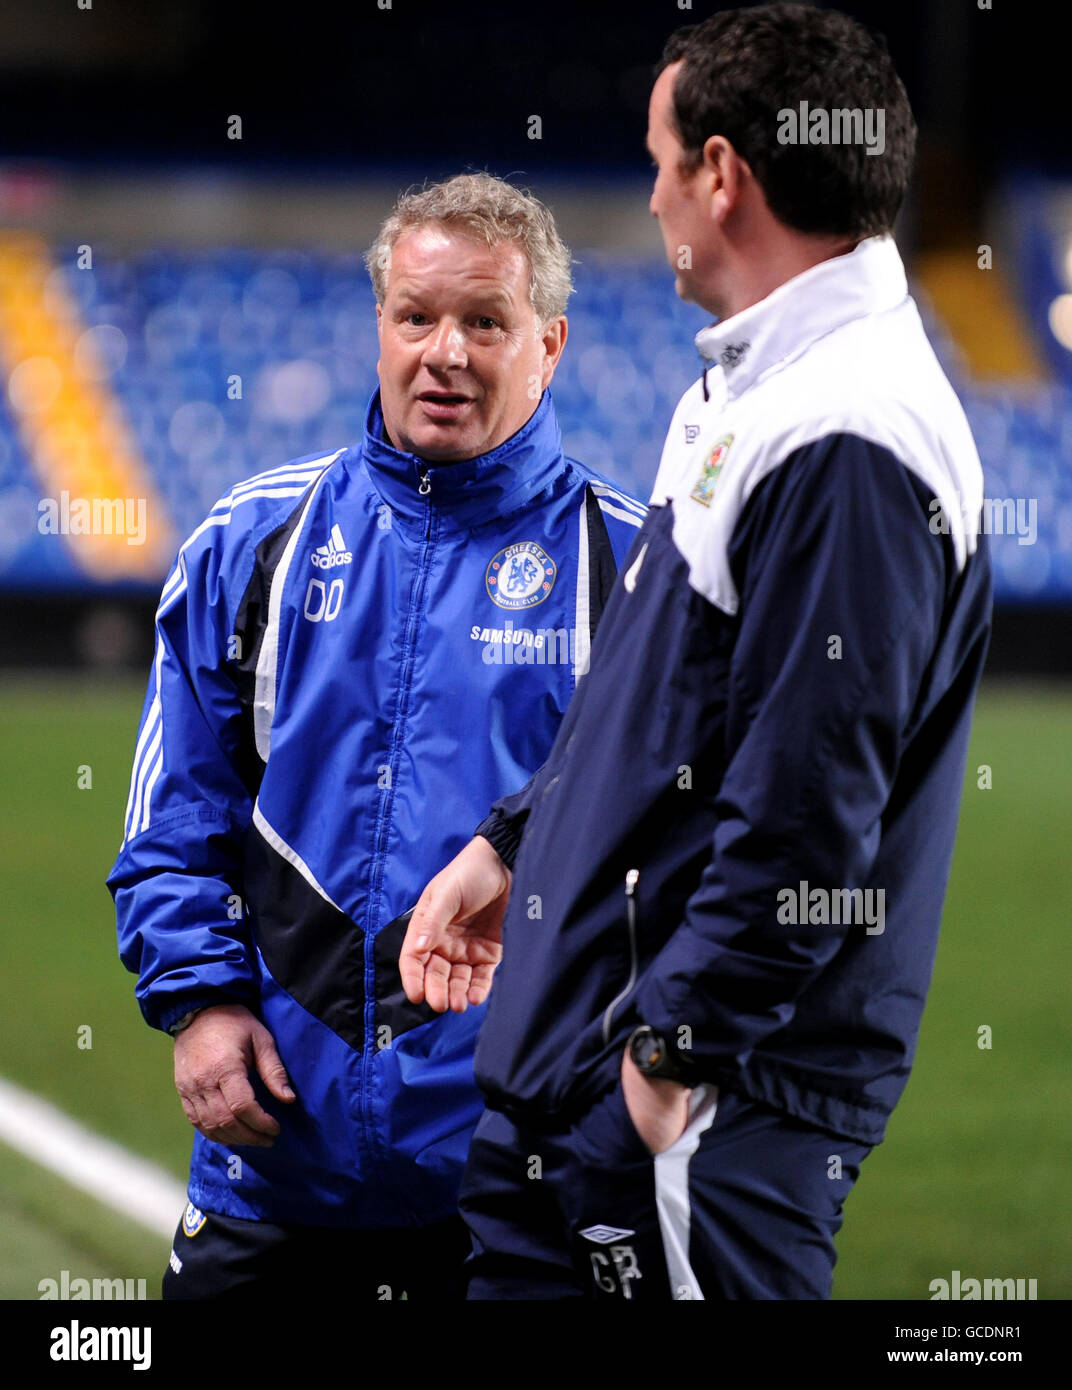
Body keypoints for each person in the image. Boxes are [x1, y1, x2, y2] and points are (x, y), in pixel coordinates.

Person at [400, 5, 993, 1300]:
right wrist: (516, 840)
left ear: (722, 175)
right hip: (580, 1119)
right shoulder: (750, 388)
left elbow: (806, 827)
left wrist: (660, 1070)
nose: (655, 188)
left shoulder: (850, 433)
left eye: (666, 156)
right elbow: (658, 704)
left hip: (681, 1141)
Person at [107, 172, 645, 1300]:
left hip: (519, 1189)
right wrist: (201, 1004)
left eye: (484, 322)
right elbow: (176, 818)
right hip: (275, 1171)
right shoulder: (247, 542)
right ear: (380, 326)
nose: (444, 351)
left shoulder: (634, 570)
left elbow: (681, 856)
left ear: (548, 342)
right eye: (417, 316)